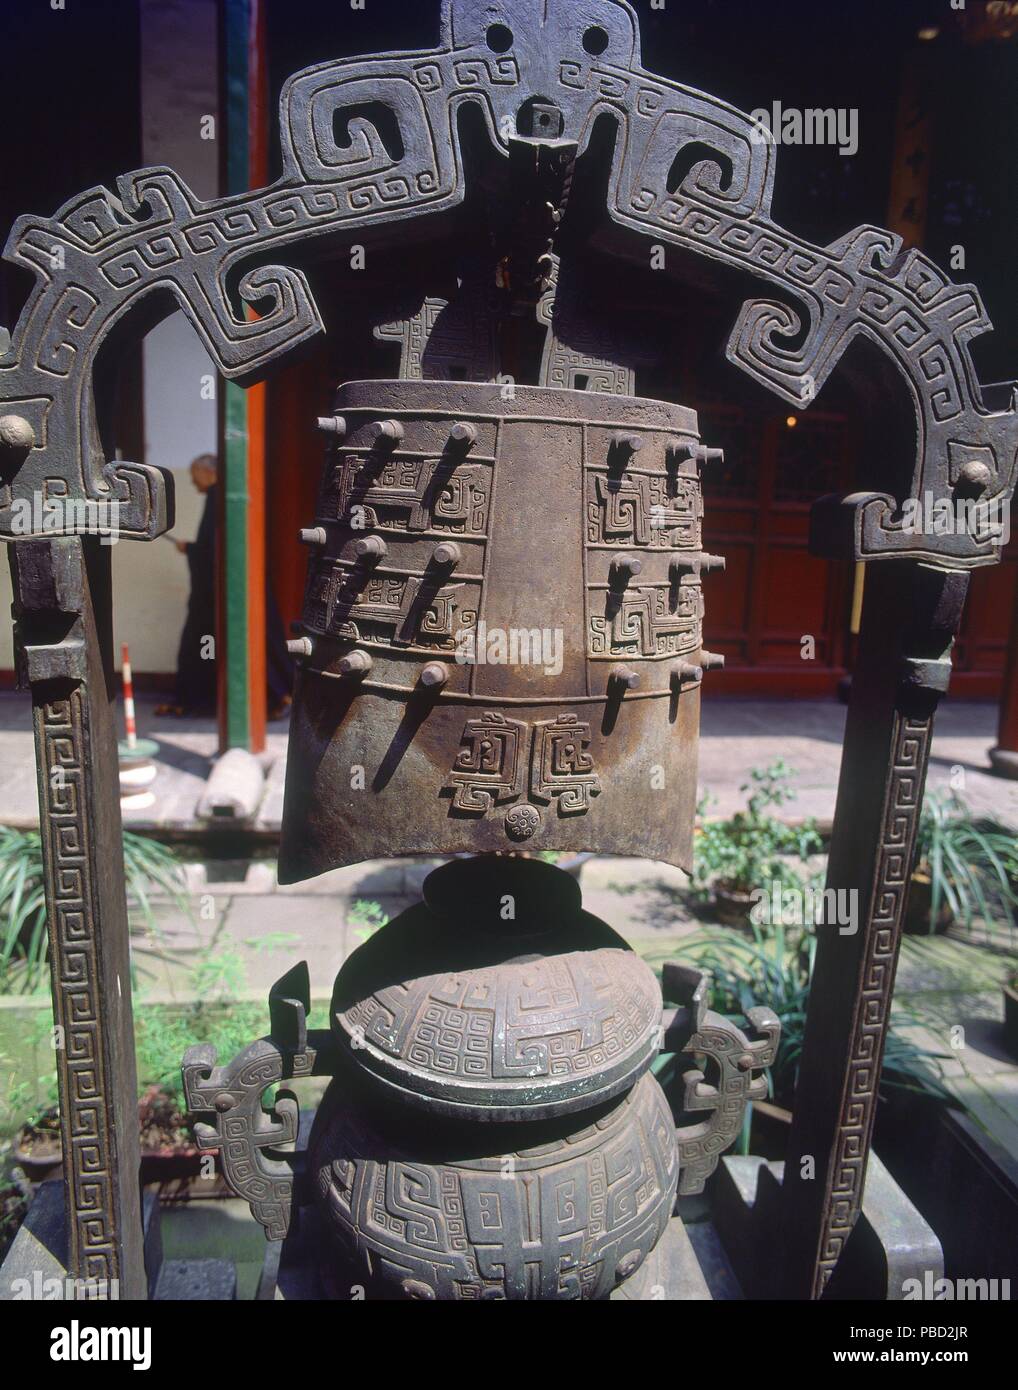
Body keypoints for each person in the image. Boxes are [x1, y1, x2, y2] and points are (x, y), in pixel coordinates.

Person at [157, 454, 292, 719]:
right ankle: (279, 696)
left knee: (217, 641)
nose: (194, 483)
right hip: (245, 583)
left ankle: (270, 697)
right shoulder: (229, 496)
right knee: (257, 638)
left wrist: (191, 549)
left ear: (208, 472)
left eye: (195, 475)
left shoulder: (219, 497)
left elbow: (215, 551)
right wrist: (197, 550)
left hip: (226, 589)